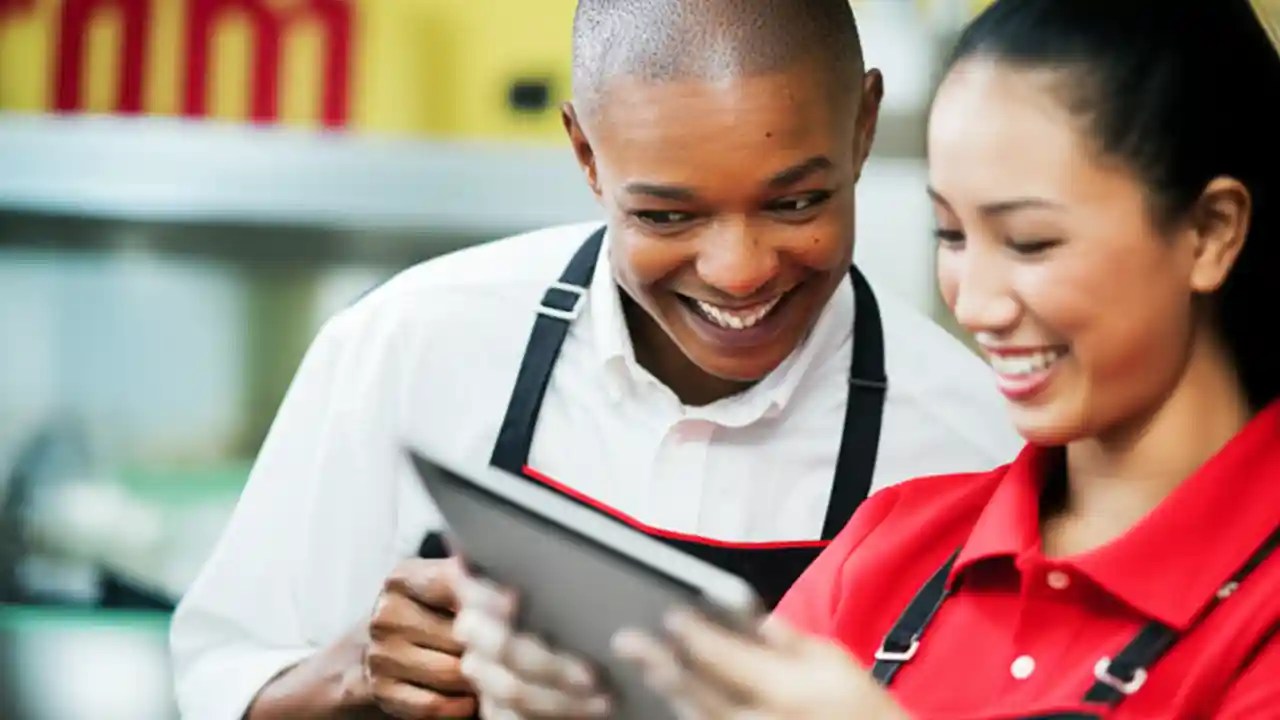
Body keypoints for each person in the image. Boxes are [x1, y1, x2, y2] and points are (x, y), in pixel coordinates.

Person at [168, 1, 1021, 718]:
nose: (740, 270)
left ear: (863, 127)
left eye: (796, 201)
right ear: (585, 154)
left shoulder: (979, 442)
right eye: (667, 216)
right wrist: (356, 672)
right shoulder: (412, 342)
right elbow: (220, 681)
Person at [451, 0, 1280, 718]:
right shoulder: (893, 549)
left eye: (1029, 242)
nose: (976, 302)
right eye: (951, 234)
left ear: (1209, 234)